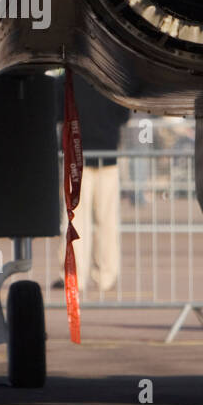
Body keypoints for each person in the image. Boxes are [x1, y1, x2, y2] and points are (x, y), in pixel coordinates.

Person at [55, 74, 131, 294]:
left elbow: (58, 112)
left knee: (74, 220)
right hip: (108, 155)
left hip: (76, 156)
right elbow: (123, 115)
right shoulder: (112, 79)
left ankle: (74, 274)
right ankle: (106, 274)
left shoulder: (66, 80)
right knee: (107, 221)